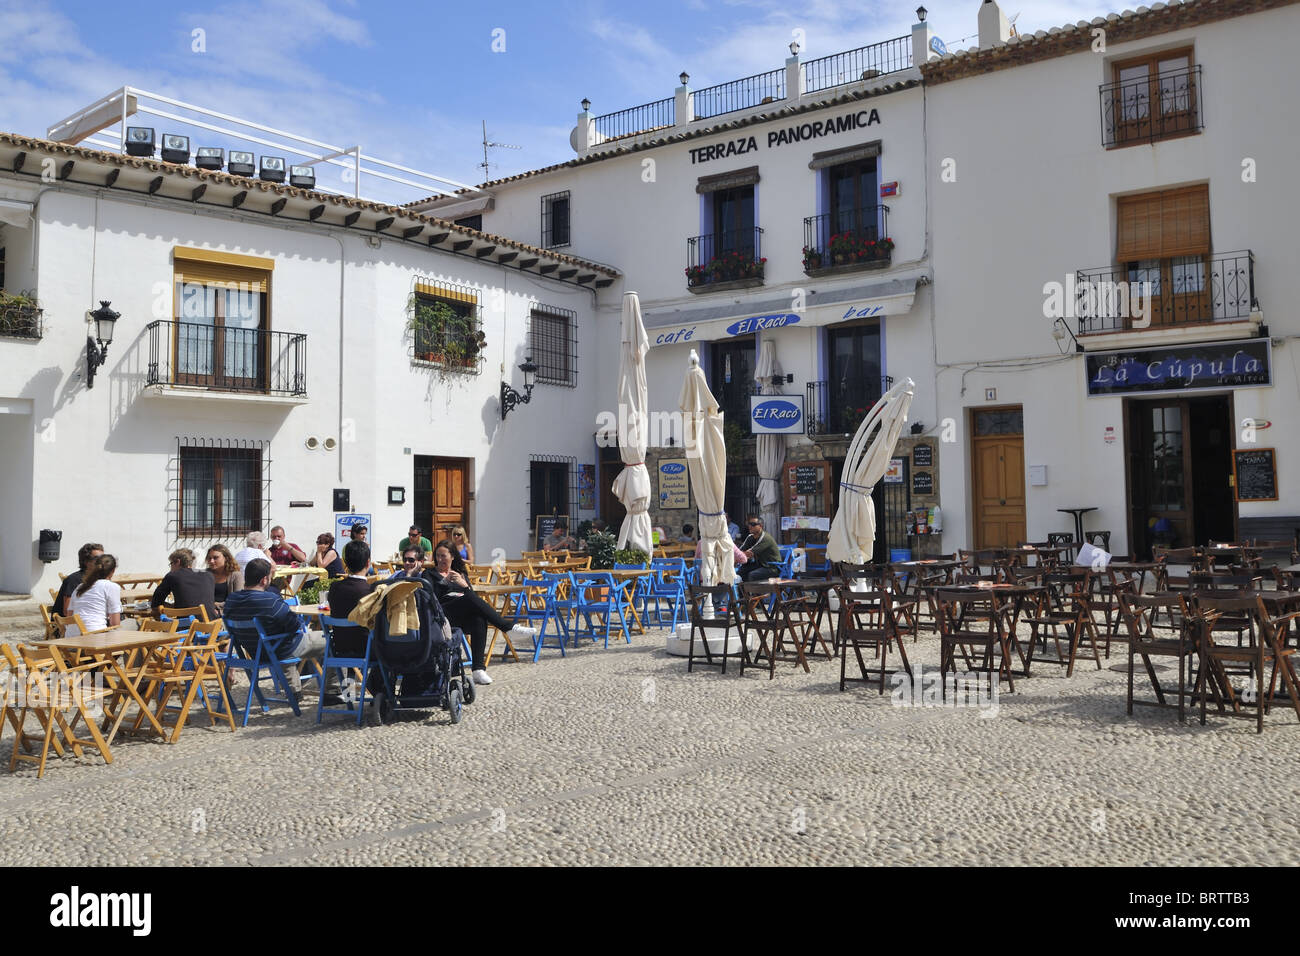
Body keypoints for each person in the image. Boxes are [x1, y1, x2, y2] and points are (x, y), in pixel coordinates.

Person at [223, 558, 340, 704]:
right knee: (336, 640)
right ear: (264, 580)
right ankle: (333, 690)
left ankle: (295, 690)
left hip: (255, 651)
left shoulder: (231, 600)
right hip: (280, 648)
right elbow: (294, 625)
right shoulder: (270, 600)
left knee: (277, 638)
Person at [427, 540, 536, 685]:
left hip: (461, 613)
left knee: (479, 618)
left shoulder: (461, 573)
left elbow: (471, 596)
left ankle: (478, 670)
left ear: (452, 556)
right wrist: (445, 582)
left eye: (443, 556)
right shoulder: (429, 573)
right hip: (443, 614)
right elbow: (431, 597)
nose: (440, 559)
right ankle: (508, 628)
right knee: (468, 599)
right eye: (438, 556)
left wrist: (464, 584)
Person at [326, 540, 373, 659]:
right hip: (366, 649)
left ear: (345, 563)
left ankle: (352, 677)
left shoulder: (334, 587)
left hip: (340, 648)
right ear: (368, 563)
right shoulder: (369, 591)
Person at [151, 548, 217, 620]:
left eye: (171, 564)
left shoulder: (173, 575)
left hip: (186, 627)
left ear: (178, 562)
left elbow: (156, 603)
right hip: (211, 626)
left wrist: (174, 608)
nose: (170, 568)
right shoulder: (209, 575)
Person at [67, 553, 122, 633]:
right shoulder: (111, 586)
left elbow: (69, 616)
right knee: (132, 624)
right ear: (113, 571)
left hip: (71, 637)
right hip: (95, 636)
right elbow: (115, 624)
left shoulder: (80, 587)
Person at [53, 541, 103, 615]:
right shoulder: (74, 580)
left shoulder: (99, 579)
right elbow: (67, 612)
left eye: (104, 558)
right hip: (66, 624)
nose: (103, 561)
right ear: (86, 561)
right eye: (98, 559)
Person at [737, 515, 782, 582]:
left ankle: (755, 592)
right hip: (760, 565)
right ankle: (742, 592)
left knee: (752, 575)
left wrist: (736, 557)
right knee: (741, 571)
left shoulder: (765, 538)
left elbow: (749, 553)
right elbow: (740, 551)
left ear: (760, 526)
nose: (750, 526)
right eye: (749, 524)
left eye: (753, 524)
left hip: (772, 567)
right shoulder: (750, 537)